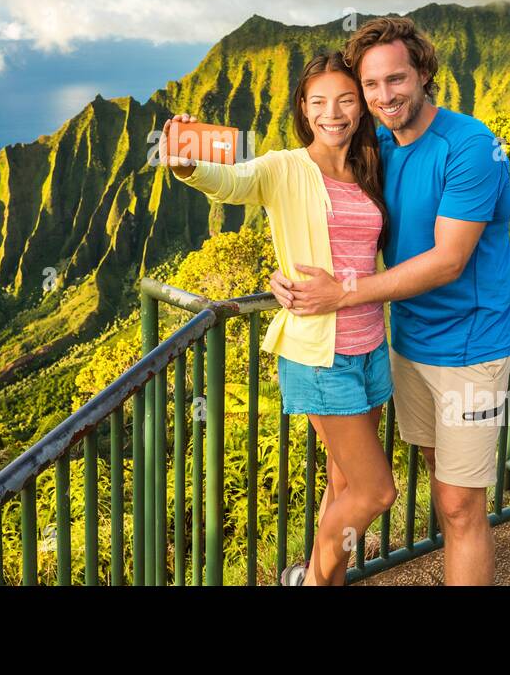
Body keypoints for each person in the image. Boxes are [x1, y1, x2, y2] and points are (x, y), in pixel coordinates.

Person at [271, 16, 510, 586]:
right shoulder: (374, 145)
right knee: (388, 476)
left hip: (470, 347)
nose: (384, 96)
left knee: (459, 504)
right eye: (371, 86)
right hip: (404, 343)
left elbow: (449, 260)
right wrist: (286, 275)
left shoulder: (471, 147)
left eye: (396, 79)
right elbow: (319, 210)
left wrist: (342, 293)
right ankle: (318, 579)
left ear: (423, 73)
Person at [160, 51, 396, 586]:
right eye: (319, 102)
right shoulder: (284, 166)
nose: (332, 113)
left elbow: (367, 256)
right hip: (319, 356)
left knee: (343, 484)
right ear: (303, 109)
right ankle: (313, 582)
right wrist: (184, 163)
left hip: (371, 347)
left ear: (361, 106)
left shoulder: (370, 166)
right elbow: (231, 181)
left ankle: (320, 579)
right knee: (376, 490)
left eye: (345, 100)